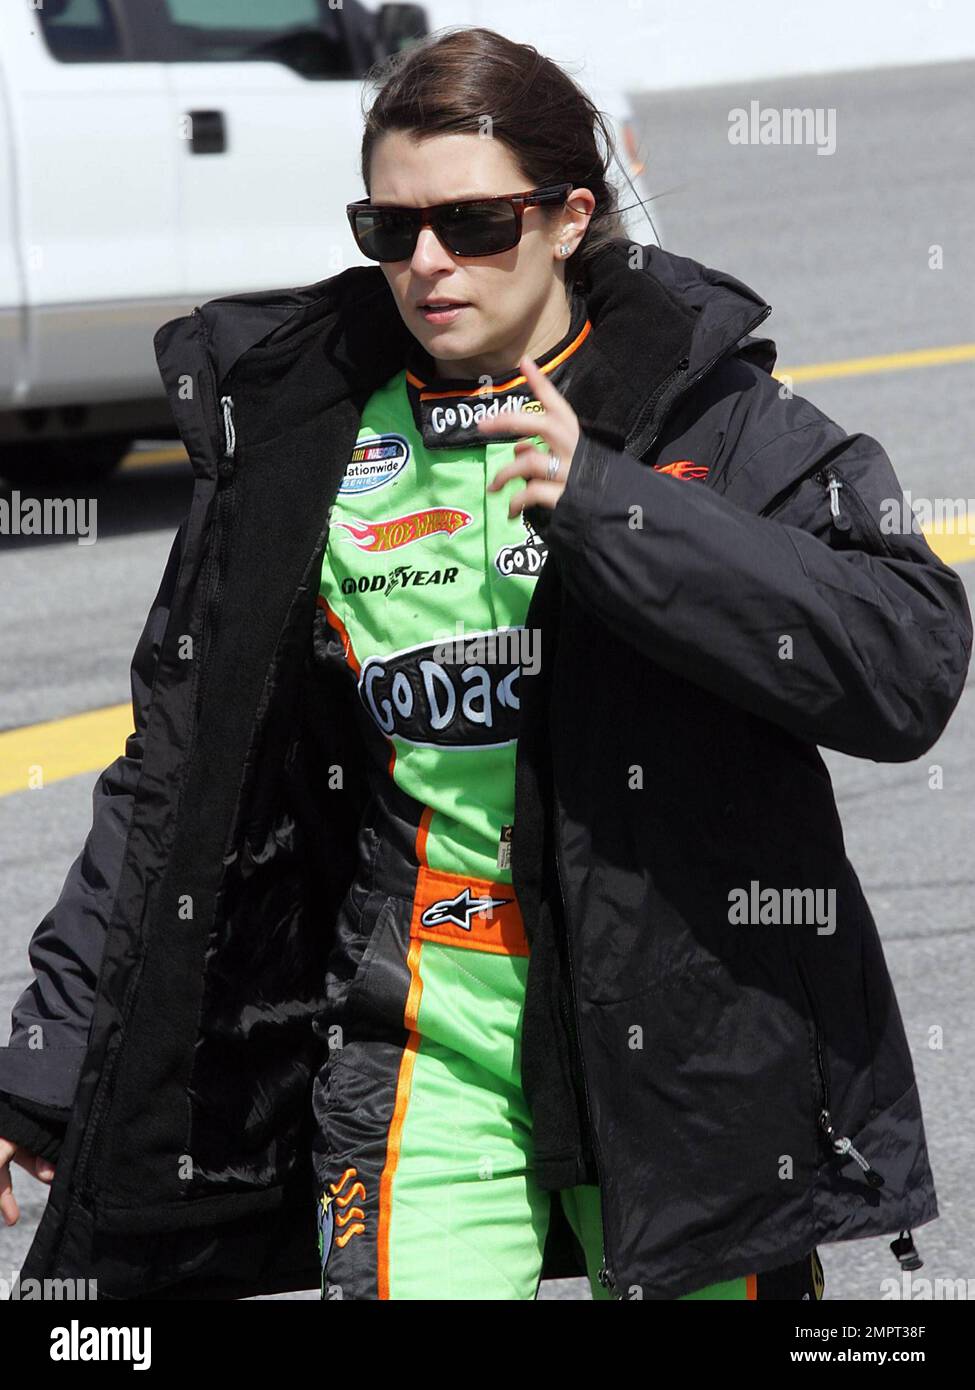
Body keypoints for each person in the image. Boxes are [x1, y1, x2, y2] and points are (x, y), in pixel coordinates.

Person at [0, 27, 970, 1302]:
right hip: (421, 1047)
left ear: (571, 216)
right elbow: (175, 779)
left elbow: (906, 663)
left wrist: (619, 509)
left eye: (473, 222)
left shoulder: (711, 413)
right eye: (388, 229)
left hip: (682, 1049)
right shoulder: (303, 437)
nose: (428, 264)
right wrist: (50, 1065)